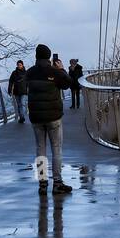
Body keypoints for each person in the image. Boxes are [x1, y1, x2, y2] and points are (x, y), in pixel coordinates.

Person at [28, 44, 74, 195]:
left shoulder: (30, 72)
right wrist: (61, 69)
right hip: (53, 116)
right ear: (49, 57)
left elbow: (22, 85)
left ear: (36, 56)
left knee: (40, 149)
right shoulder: (54, 72)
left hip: (36, 117)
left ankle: (42, 183)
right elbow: (68, 84)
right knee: (56, 149)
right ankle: (58, 183)